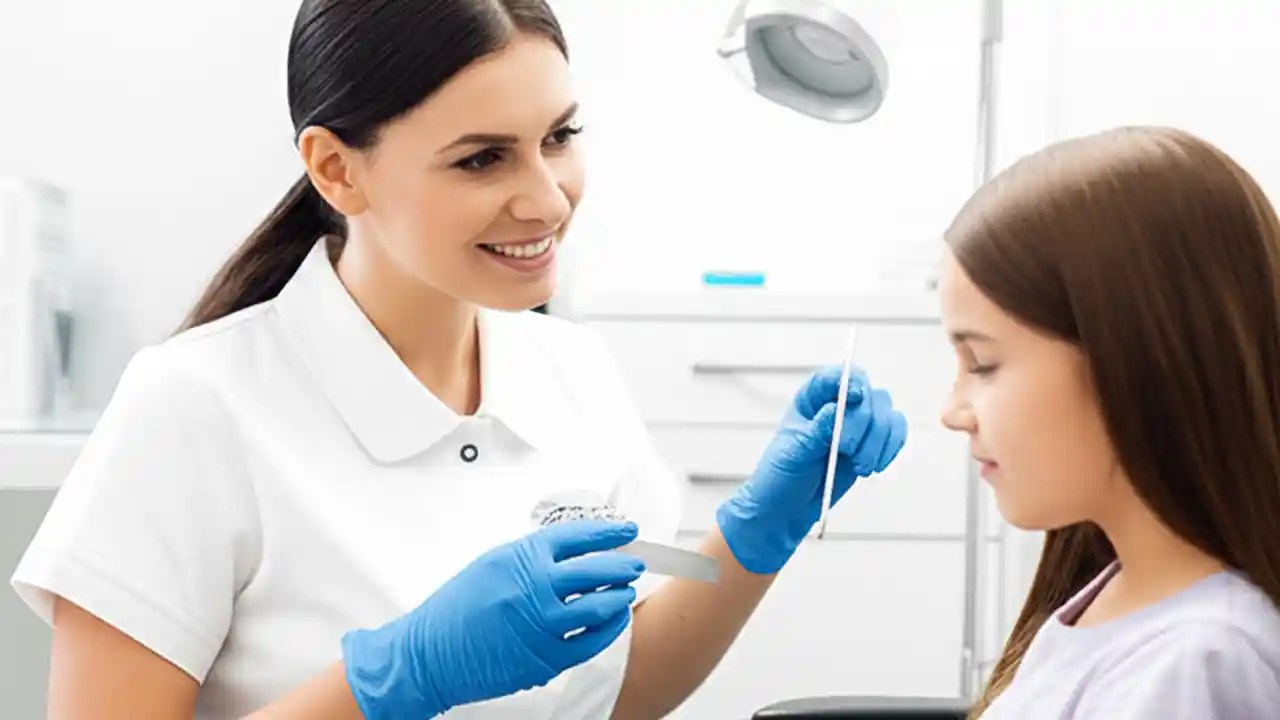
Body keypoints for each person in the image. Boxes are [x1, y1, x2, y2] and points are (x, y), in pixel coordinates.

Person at [9, 1, 907, 718]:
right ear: (336, 170)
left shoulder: (575, 374)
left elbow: (617, 695)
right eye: (483, 160)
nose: (548, 198)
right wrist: (395, 681)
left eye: (559, 137)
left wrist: (758, 532)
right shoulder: (191, 409)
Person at [938, 126, 1280, 718]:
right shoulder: (1118, 594)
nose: (952, 412)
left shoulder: (1194, 665)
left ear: (1137, 361)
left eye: (983, 364)